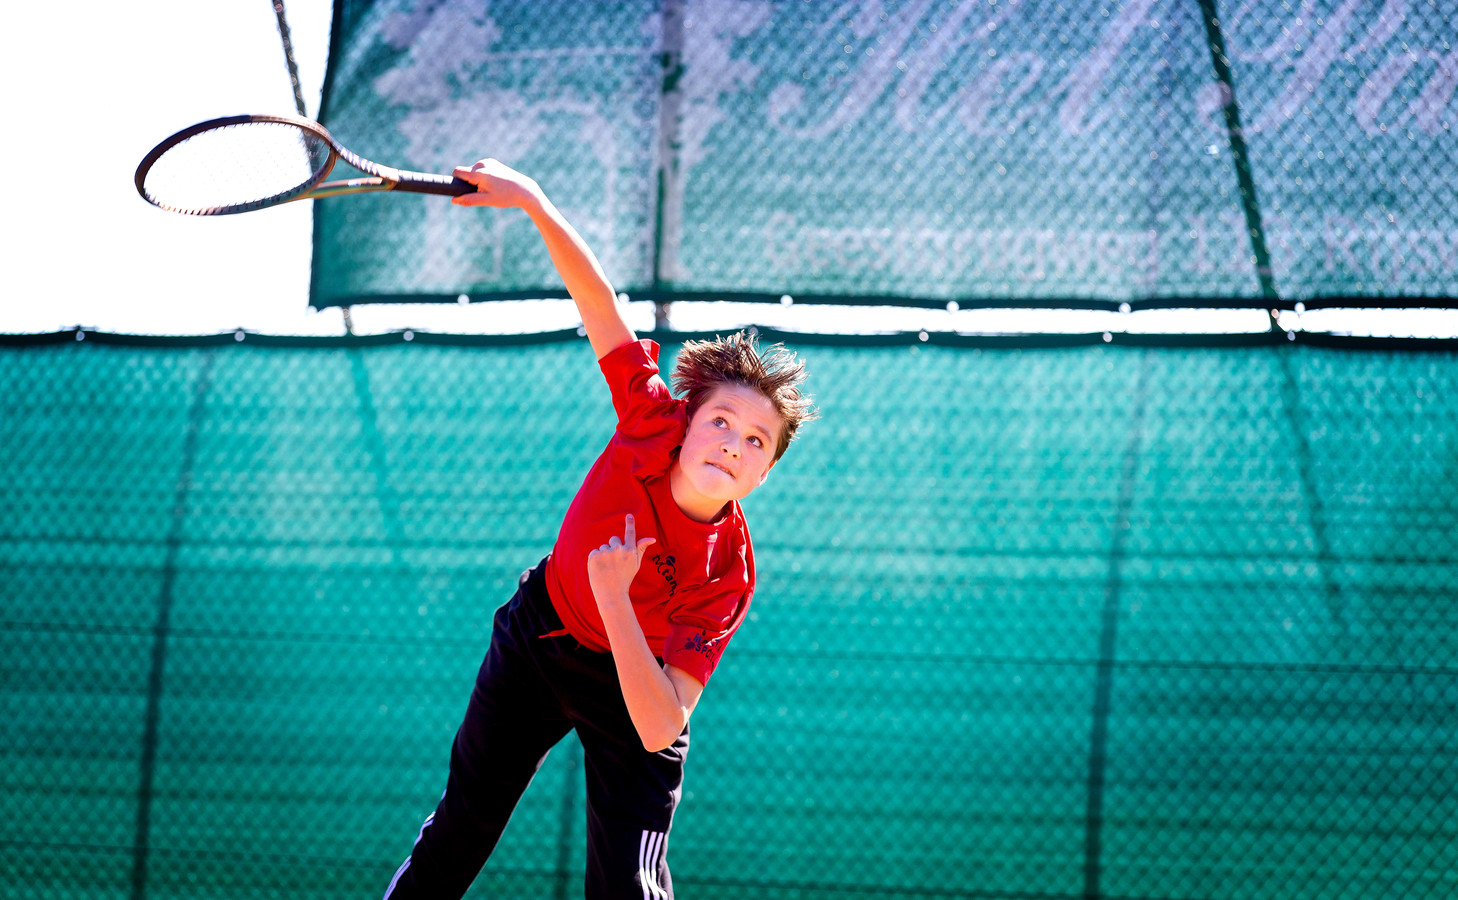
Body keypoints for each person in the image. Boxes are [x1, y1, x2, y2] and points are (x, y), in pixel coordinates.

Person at [381, 159, 815, 900]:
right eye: (721, 421)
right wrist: (535, 201)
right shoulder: (649, 419)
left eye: (755, 442)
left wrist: (616, 601)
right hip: (541, 636)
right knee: (464, 825)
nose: (732, 445)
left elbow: (659, 725)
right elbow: (598, 301)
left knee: (631, 889)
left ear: (765, 472)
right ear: (685, 424)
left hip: (635, 684)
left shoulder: (728, 572)